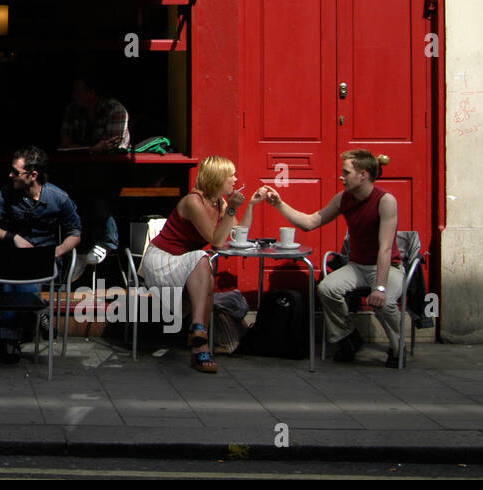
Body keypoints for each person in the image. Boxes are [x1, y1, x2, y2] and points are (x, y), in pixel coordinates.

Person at [258, 151, 400, 367]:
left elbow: (386, 248)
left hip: (388, 268)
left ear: (363, 175)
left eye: (346, 172)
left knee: (386, 302)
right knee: (327, 288)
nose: (341, 177)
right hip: (357, 266)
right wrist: (279, 204)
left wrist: (380, 288)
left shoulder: (385, 201)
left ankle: (398, 347)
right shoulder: (344, 199)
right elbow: (310, 222)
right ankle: (348, 336)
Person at [142, 155, 263, 373]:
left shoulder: (219, 202)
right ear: (217, 178)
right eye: (231, 175)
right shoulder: (193, 202)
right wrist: (232, 210)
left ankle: (199, 336)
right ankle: (200, 342)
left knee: (205, 272)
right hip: (162, 260)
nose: (235, 179)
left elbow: (237, 234)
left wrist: (251, 205)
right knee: (203, 259)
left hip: (189, 263)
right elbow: (216, 241)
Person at [0, 145, 82, 363]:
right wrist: (12, 237)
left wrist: (57, 251)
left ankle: (8, 338)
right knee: (11, 276)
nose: (10, 175)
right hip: (14, 256)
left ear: (33, 175)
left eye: (16, 172)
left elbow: (75, 233)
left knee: (21, 276)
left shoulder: (57, 197)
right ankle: (29, 319)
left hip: (45, 257)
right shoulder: (7, 193)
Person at [58, 71, 130, 274]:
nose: (73, 95)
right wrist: (93, 148)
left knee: (99, 187)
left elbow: (112, 148)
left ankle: (107, 242)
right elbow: (64, 144)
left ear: (91, 92)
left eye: (77, 90)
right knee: (71, 193)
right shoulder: (74, 110)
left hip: (112, 172)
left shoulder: (115, 110)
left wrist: (88, 149)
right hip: (80, 170)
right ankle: (81, 246)